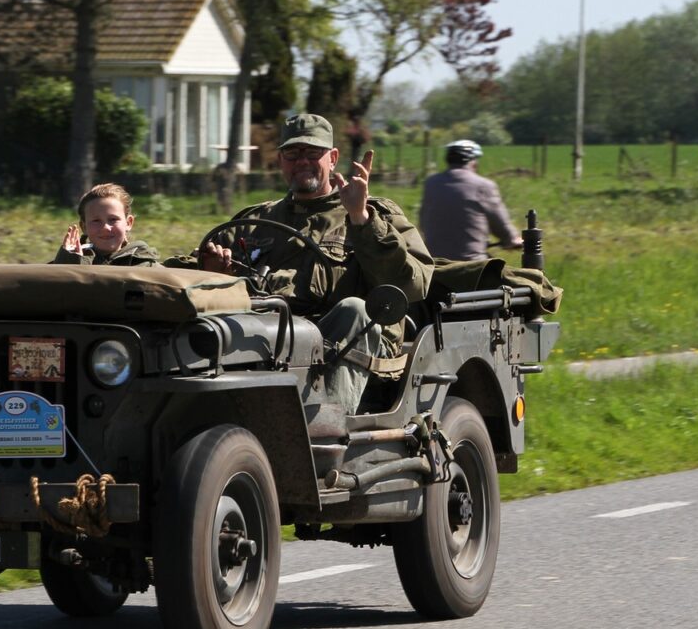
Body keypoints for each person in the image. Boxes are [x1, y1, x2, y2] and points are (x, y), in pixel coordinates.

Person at [180, 113, 433, 411]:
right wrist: (213, 274)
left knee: (354, 309)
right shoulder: (255, 221)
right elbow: (190, 269)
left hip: (348, 343)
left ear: (333, 158)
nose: (302, 161)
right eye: (292, 153)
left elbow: (413, 284)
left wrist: (361, 219)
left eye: (313, 152)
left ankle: (328, 427)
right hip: (268, 338)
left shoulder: (374, 213)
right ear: (280, 160)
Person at [418, 139, 522, 261]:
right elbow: (499, 223)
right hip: (471, 263)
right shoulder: (483, 185)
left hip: (433, 263)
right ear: (473, 162)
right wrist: (512, 238)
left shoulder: (431, 183)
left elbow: (423, 220)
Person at [51, 182, 160, 267]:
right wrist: (69, 262)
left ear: (128, 223)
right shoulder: (69, 259)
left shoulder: (146, 266)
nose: (105, 228)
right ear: (84, 226)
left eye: (113, 219)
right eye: (96, 221)